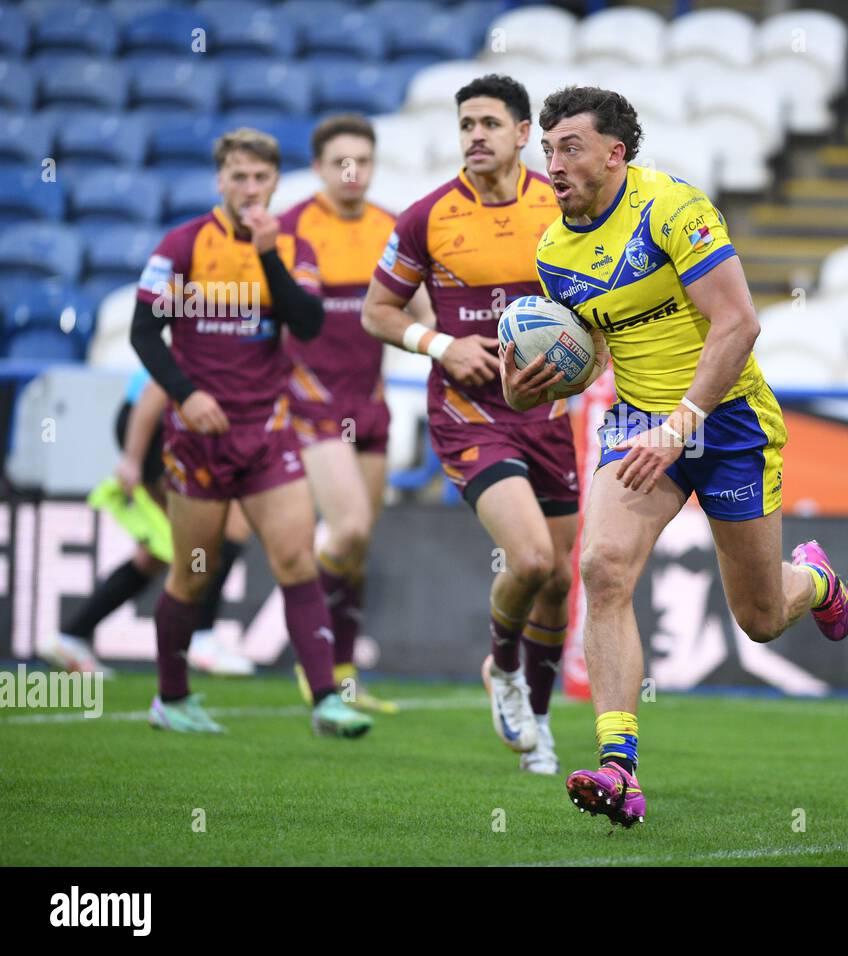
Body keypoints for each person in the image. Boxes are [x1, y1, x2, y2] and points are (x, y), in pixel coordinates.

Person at [502, 87, 848, 826]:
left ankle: (816, 582)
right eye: (548, 151)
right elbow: (594, 349)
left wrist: (682, 424)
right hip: (637, 423)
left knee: (759, 617)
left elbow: (738, 324)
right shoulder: (553, 251)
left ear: (614, 154)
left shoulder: (674, 210)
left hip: (725, 422)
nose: (553, 164)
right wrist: (535, 385)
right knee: (601, 567)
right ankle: (618, 768)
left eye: (569, 148)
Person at [362, 75, 580, 774]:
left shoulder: (563, 205)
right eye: (466, 124)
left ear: (524, 134)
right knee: (534, 558)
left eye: (490, 123)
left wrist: (587, 359)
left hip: (548, 415)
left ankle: (538, 723)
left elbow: (597, 298)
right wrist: (441, 345)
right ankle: (504, 668)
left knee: (558, 583)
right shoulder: (427, 216)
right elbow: (378, 312)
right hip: (470, 414)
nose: (476, 135)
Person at [130, 127, 372, 737]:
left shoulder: (292, 245)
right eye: (238, 177)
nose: (250, 188)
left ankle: (325, 701)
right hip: (197, 436)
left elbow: (309, 322)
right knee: (193, 571)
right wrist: (186, 394)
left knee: (295, 559)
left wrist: (268, 254)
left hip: (268, 430)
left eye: (261, 178)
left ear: (274, 181)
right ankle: (172, 696)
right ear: (221, 180)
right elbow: (142, 332)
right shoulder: (183, 245)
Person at [279, 114, 435, 715]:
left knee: (359, 545)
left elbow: (419, 308)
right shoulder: (292, 231)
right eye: (341, 162)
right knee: (344, 530)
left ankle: (343, 677)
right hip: (311, 404)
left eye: (363, 162)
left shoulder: (390, 228)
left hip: (369, 404)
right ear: (318, 168)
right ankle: (310, 648)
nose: (353, 173)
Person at [37, 368, 255, 677]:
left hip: (165, 428)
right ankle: (201, 638)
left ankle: (70, 636)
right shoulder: (220, 329)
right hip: (152, 426)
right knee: (219, 530)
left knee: (159, 550)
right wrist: (132, 459)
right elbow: (155, 389)